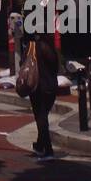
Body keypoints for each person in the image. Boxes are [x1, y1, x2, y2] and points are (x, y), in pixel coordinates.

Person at [29, 27, 60, 159]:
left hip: (38, 86)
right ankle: (40, 145)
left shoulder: (34, 47)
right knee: (43, 116)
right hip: (51, 86)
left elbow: (25, 63)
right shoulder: (52, 49)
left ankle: (48, 149)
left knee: (41, 118)